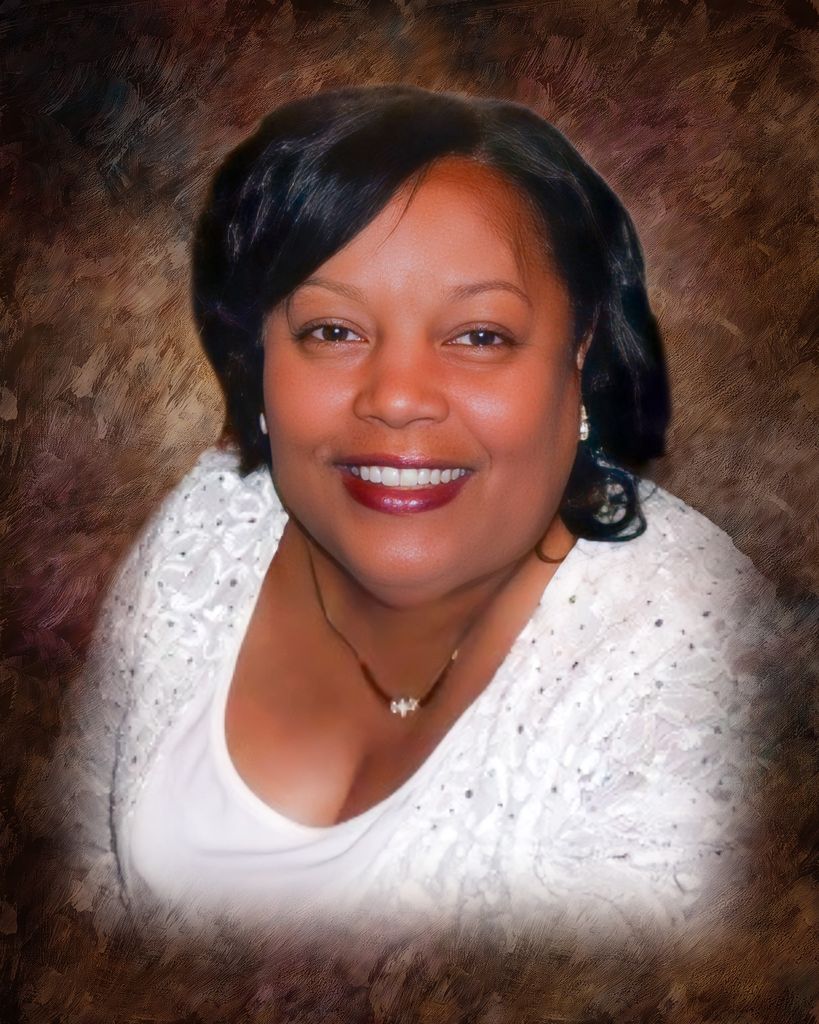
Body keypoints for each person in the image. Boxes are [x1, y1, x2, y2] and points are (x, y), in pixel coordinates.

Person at [68, 84, 769, 942]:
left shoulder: (699, 660)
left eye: (478, 335)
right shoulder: (211, 522)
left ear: (579, 345)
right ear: (260, 353)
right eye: (333, 331)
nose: (397, 398)